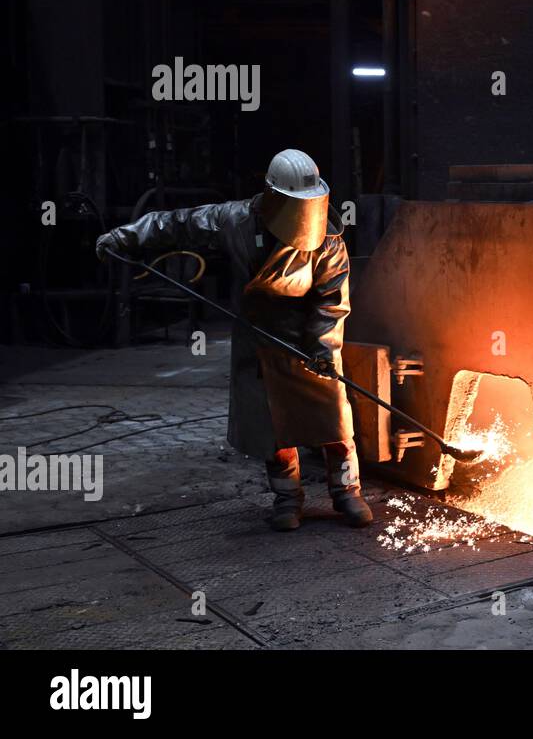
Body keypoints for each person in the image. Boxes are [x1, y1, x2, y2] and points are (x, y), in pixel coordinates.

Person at [96, 149, 373, 531]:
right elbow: (177, 224)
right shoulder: (234, 220)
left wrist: (322, 349)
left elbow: (331, 299)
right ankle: (287, 499)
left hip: (311, 335)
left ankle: (347, 494)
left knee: (334, 421)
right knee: (271, 425)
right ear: (274, 197)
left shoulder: (327, 238)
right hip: (257, 335)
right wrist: (125, 237)